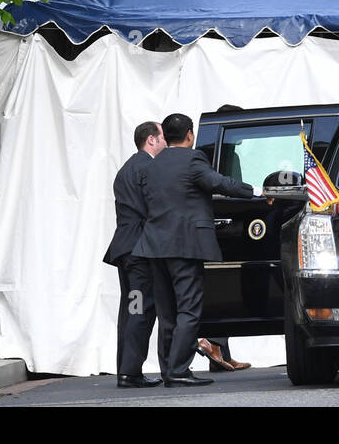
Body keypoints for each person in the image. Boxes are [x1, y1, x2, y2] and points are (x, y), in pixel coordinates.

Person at [134, 113, 257, 387]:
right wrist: (256, 192)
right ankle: (179, 370)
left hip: (154, 246)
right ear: (189, 135)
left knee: (167, 313)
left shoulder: (150, 165)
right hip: (185, 245)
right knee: (189, 309)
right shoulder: (192, 159)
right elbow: (219, 183)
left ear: (165, 136)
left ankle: (168, 369)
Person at [104, 121, 166, 388]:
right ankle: (130, 372)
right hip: (140, 252)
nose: (166, 143)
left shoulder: (126, 168)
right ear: (151, 140)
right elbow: (154, 207)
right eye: (162, 138)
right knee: (140, 309)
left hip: (126, 250)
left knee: (130, 309)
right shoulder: (148, 168)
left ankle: (126, 370)